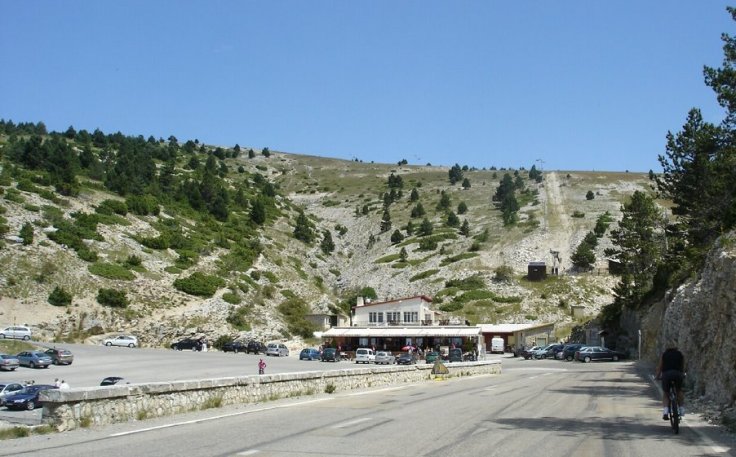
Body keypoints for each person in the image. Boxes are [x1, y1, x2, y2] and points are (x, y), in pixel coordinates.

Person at [655, 338, 685, 420]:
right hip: (677, 374)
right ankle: (682, 409)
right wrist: (682, 374)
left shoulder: (664, 354)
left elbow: (660, 367)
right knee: (679, 390)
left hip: (667, 375)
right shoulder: (680, 354)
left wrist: (657, 376)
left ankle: (665, 411)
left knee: (666, 393)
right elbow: (682, 367)